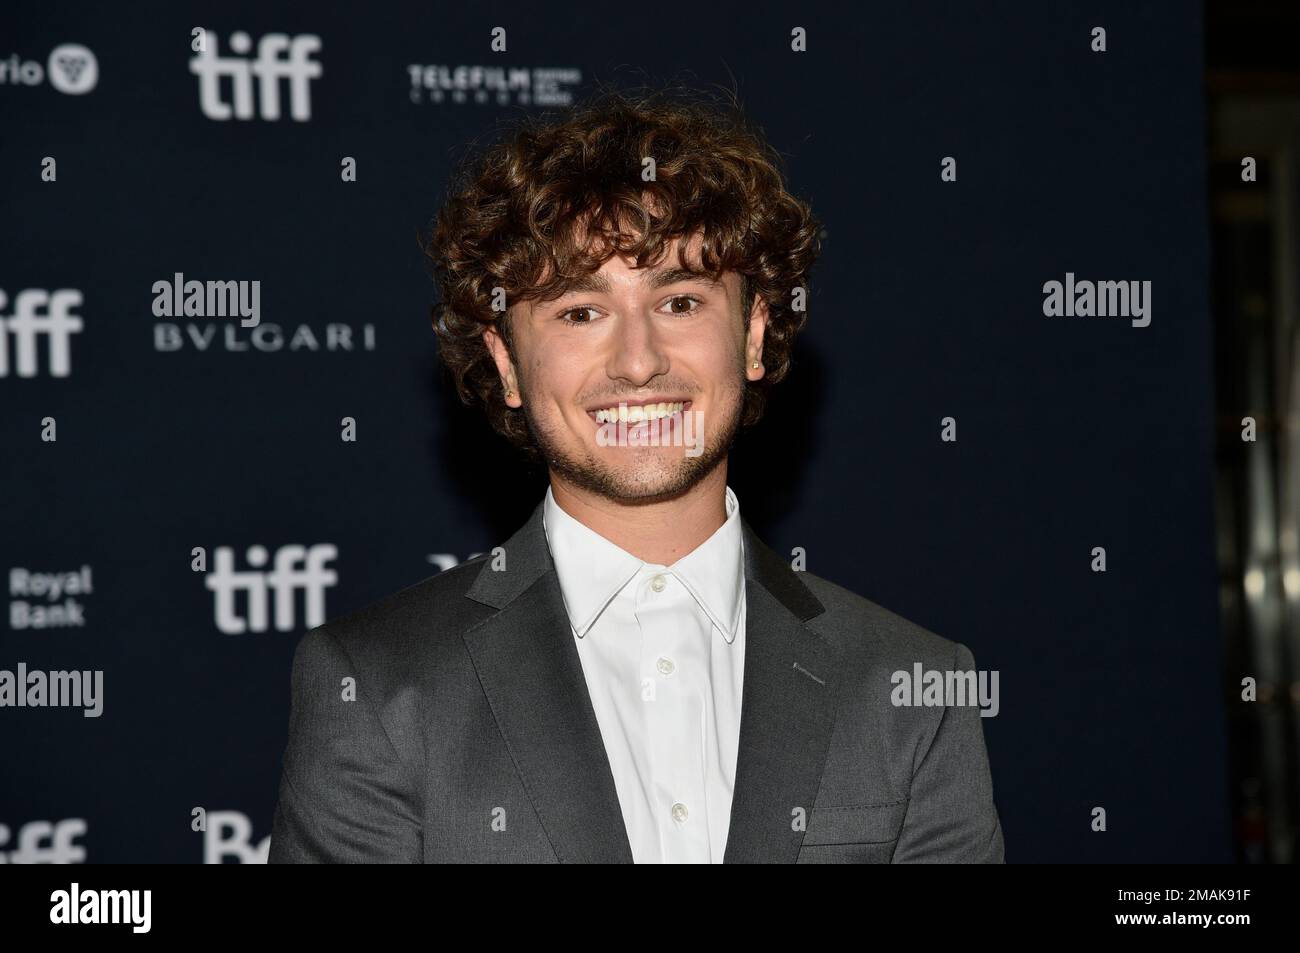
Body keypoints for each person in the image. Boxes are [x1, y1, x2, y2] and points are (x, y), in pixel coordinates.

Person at [268, 87, 1004, 863]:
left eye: (681, 301)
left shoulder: (912, 686)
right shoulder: (378, 686)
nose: (639, 361)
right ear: (505, 362)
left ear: (752, 334)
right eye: (580, 312)